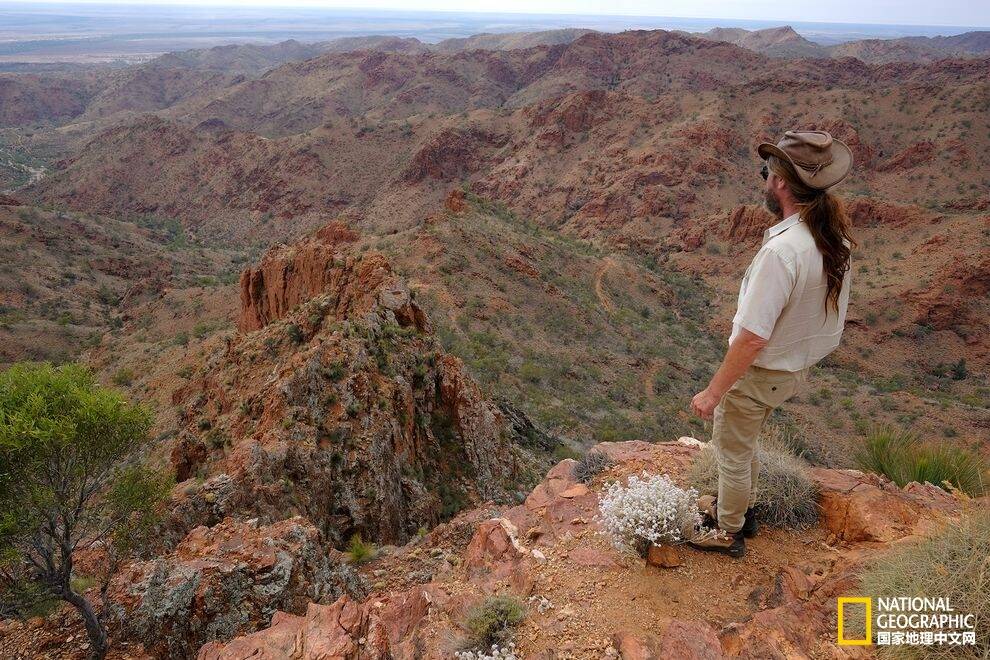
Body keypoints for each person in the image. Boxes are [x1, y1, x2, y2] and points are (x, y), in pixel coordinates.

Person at [688, 130, 855, 558]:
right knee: (745, 445)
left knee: (731, 450)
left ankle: (728, 531)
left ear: (781, 183)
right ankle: (742, 509)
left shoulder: (784, 253)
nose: (764, 180)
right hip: (790, 370)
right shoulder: (835, 237)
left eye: (768, 173)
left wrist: (713, 392)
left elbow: (752, 337)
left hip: (760, 372)